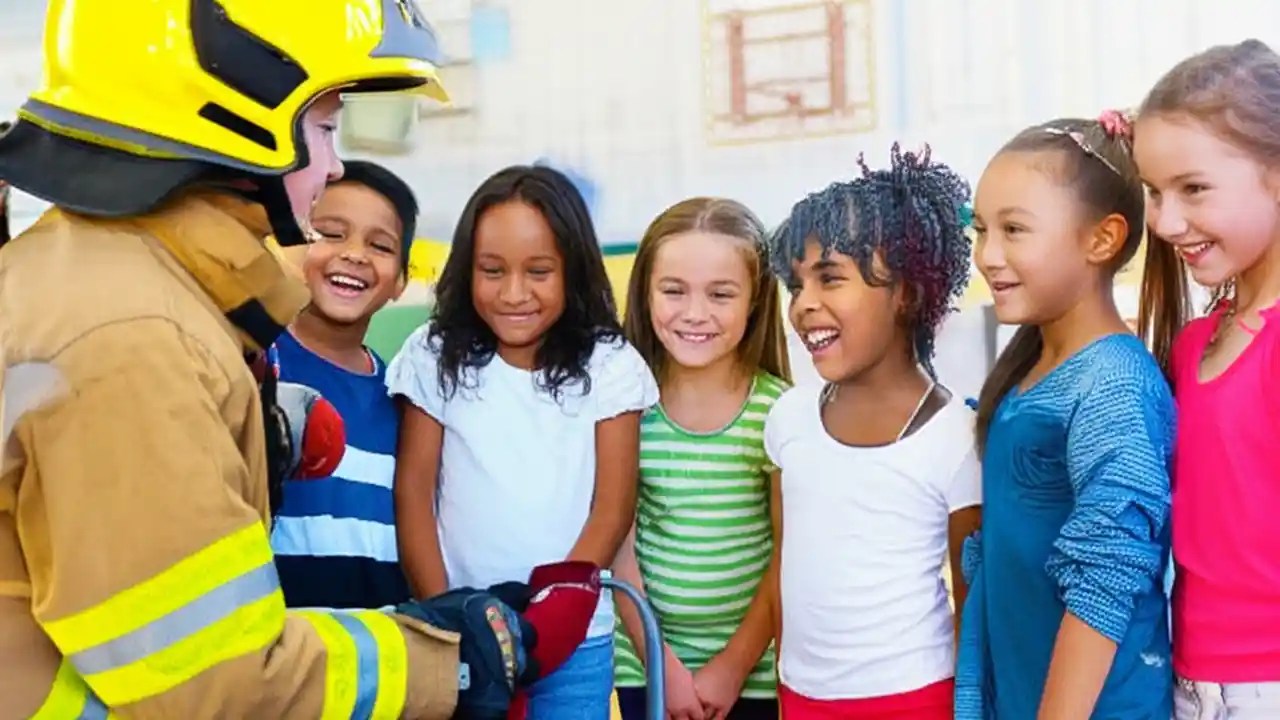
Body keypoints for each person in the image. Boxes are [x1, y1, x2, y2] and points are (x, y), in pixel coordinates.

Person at [0, 1, 539, 718]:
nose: (336, 163)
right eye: (324, 127)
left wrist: (237, 427)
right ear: (233, 117)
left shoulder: (97, 283)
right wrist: (452, 661)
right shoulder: (136, 341)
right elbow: (220, 686)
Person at [388, 164, 659, 720]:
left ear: (573, 270)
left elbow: (612, 507)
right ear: (467, 268)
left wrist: (553, 618)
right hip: (461, 640)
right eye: (492, 270)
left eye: (539, 271)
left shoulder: (610, 363)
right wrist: (447, 620)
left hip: (574, 642)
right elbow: (413, 495)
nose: (514, 293)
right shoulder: (433, 353)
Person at [958, 113, 1174, 719]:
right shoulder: (1031, 366)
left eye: (1014, 230)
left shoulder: (1113, 384)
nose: (987, 255)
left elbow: (1107, 580)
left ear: (1102, 240)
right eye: (980, 229)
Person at [764, 145, 981, 719]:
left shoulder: (956, 438)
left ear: (907, 293)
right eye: (796, 286)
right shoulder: (788, 418)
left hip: (917, 699)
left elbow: (972, 608)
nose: (803, 305)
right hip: (801, 699)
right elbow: (785, 563)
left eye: (830, 278)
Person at [1134, 39, 1280, 718]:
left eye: (1193, 188)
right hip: (1191, 679)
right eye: (1153, 193)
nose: (1165, 221)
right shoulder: (1194, 342)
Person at [611, 197, 792, 720]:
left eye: (720, 294)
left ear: (755, 301)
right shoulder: (622, 405)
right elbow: (618, 547)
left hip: (752, 670)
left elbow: (788, 553)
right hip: (645, 663)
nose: (695, 313)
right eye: (674, 291)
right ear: (645, 293)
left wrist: (733, 667)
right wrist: (662, 667)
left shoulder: (777, 411)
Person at [269, 160, 420, 611]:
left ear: (401, 280)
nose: (355, 254)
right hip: (275, 637)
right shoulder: (258, 364)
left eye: (380, 245)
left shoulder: (404, 399)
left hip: (377, 640)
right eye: (331, 233)